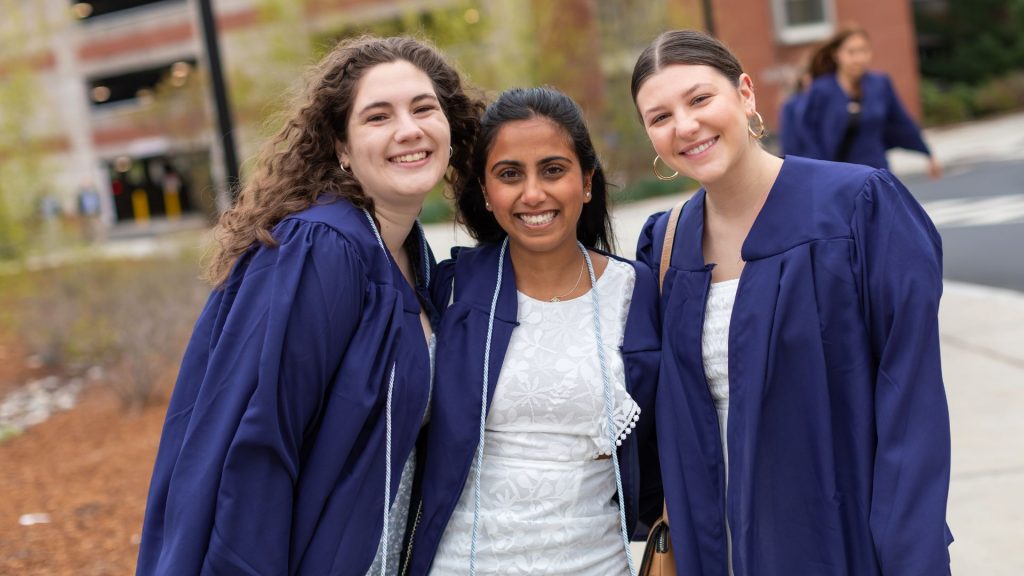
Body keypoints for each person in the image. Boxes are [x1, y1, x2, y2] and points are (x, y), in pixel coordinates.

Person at [135, 35, 483, 576]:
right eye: (377, 117)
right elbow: (256, 446)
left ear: (450, 126)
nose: (408, 130)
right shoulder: (322, 250)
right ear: (341, 148)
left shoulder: (410, 256)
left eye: (423, 108)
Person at [630, 30, 952, 575]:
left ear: (746, 94)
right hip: (715, 549)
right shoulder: (664, 243)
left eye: (700, 99)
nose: (685, 126)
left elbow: (910, 401)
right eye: (659, 117)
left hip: (838, 543)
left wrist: (909, 555)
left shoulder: (857, 207)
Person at [405, 87, 662, 575]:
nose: (533, 193)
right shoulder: (453, 288)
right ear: (485, 190)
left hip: (598, 563)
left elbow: (665, 448)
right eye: (509, 174)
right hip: (466, 564)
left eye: (553, 169)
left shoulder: (636, 290)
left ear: (586, 181)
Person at [801, 26, 943, 178]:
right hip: (838, 174)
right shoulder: (822, 90)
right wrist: (816, 171)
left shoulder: (880, 84)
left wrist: (927, 153)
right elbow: (807, 133)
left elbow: (901, 121)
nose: (858, 58)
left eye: (863, 51)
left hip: (875, 170)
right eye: (851, 52)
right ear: (837, 54)